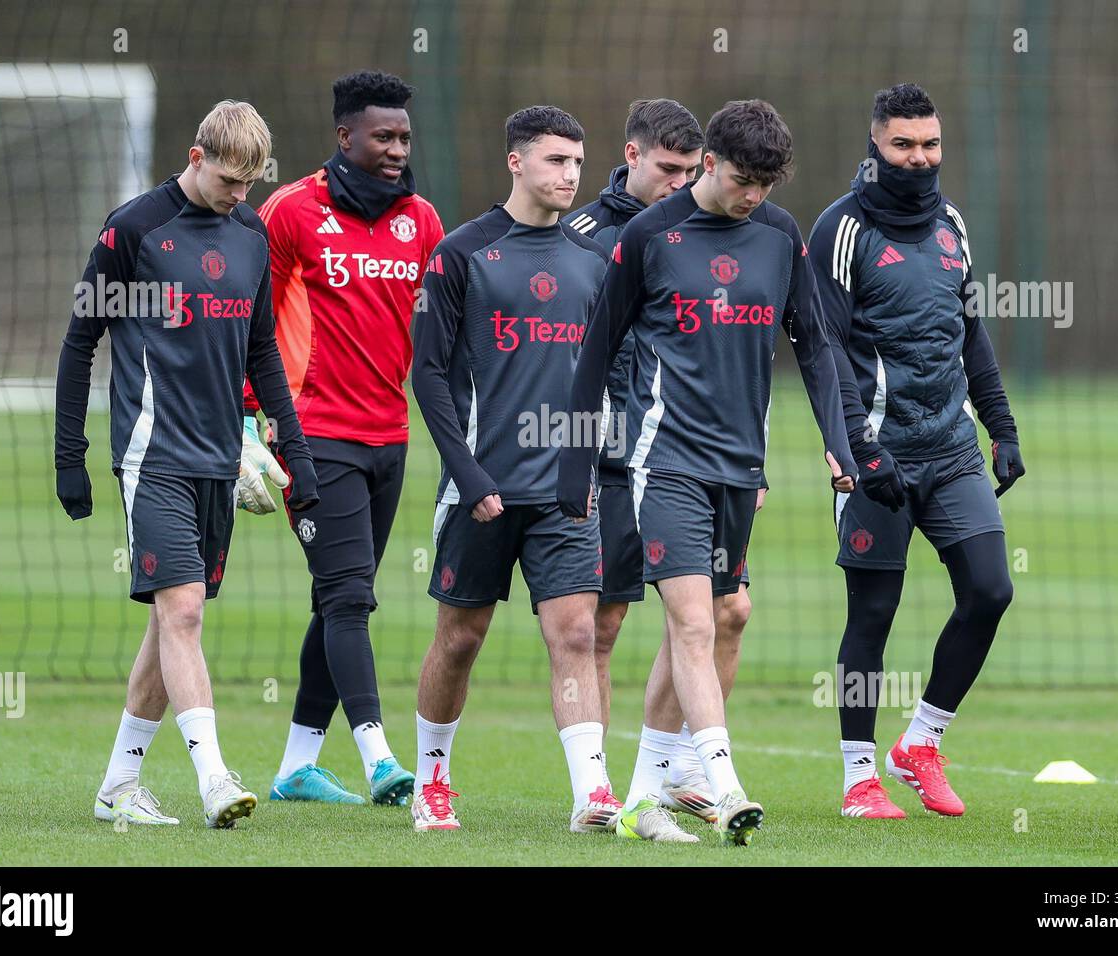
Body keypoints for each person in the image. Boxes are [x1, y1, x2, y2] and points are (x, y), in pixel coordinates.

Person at [558, 100, 858, 845]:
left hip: (739, 467)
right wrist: (574, 460)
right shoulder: (649, 236)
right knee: (690, 620)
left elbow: (815, 345)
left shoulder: (780, 234)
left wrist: (838, 440)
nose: (755, 195)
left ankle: (639, 797)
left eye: (768, 182)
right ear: (711, 162)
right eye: (745, 179)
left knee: (729, 615)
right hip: (664, 463)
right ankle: (722, 784)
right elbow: (595, 350)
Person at [55, 100, 319, 828]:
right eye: (232, 180)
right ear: (197, 157)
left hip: (219, 462)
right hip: (152, 455)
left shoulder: (251, 232)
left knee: (167, 626)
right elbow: (81, 341)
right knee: (184, 610)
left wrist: (290, 446)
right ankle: (213, 778)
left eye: (254, 183)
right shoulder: (133, 229)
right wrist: (68, 455)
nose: (242, 195)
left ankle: (118, 785)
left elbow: (263, 349)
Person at [806, 83, 1024, 820]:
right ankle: (859, 777)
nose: (919, 157)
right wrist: (860, 453)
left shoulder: (953, 222)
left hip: (951, 446)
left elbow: (972, 333)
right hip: (878, 453)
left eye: (930, 144)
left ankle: (920, 744)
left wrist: (1003, 426)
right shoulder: (840, 229)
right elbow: (825, 349)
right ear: (876, 145)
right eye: (903, 144)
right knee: (875, 611)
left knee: (992, 590)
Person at [409, 106, 620, 833]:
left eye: (576, 163)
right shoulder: (463, 252)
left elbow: (601, 379)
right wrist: (466, 475)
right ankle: (430, 781)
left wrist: (585, 466)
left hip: (564, 492)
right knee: (460, 639)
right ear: (516, 162)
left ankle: (592, 793)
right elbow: (428, 374)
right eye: (555, 161)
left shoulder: (596, 263)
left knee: (576, 634)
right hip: (481, 491)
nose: (569, 176)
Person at [239, 70, 444, 807]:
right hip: (312, 437)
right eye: (383, 136)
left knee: (336, 602)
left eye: (405, 138)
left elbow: (440, 329)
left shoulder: (420, 218)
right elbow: (250, 321)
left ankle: (297, 766)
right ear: (344, 137)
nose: (397, 149)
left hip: (390, 439)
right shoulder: (290, 210)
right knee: (350, 597)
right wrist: (247, 417)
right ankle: (381, 758)